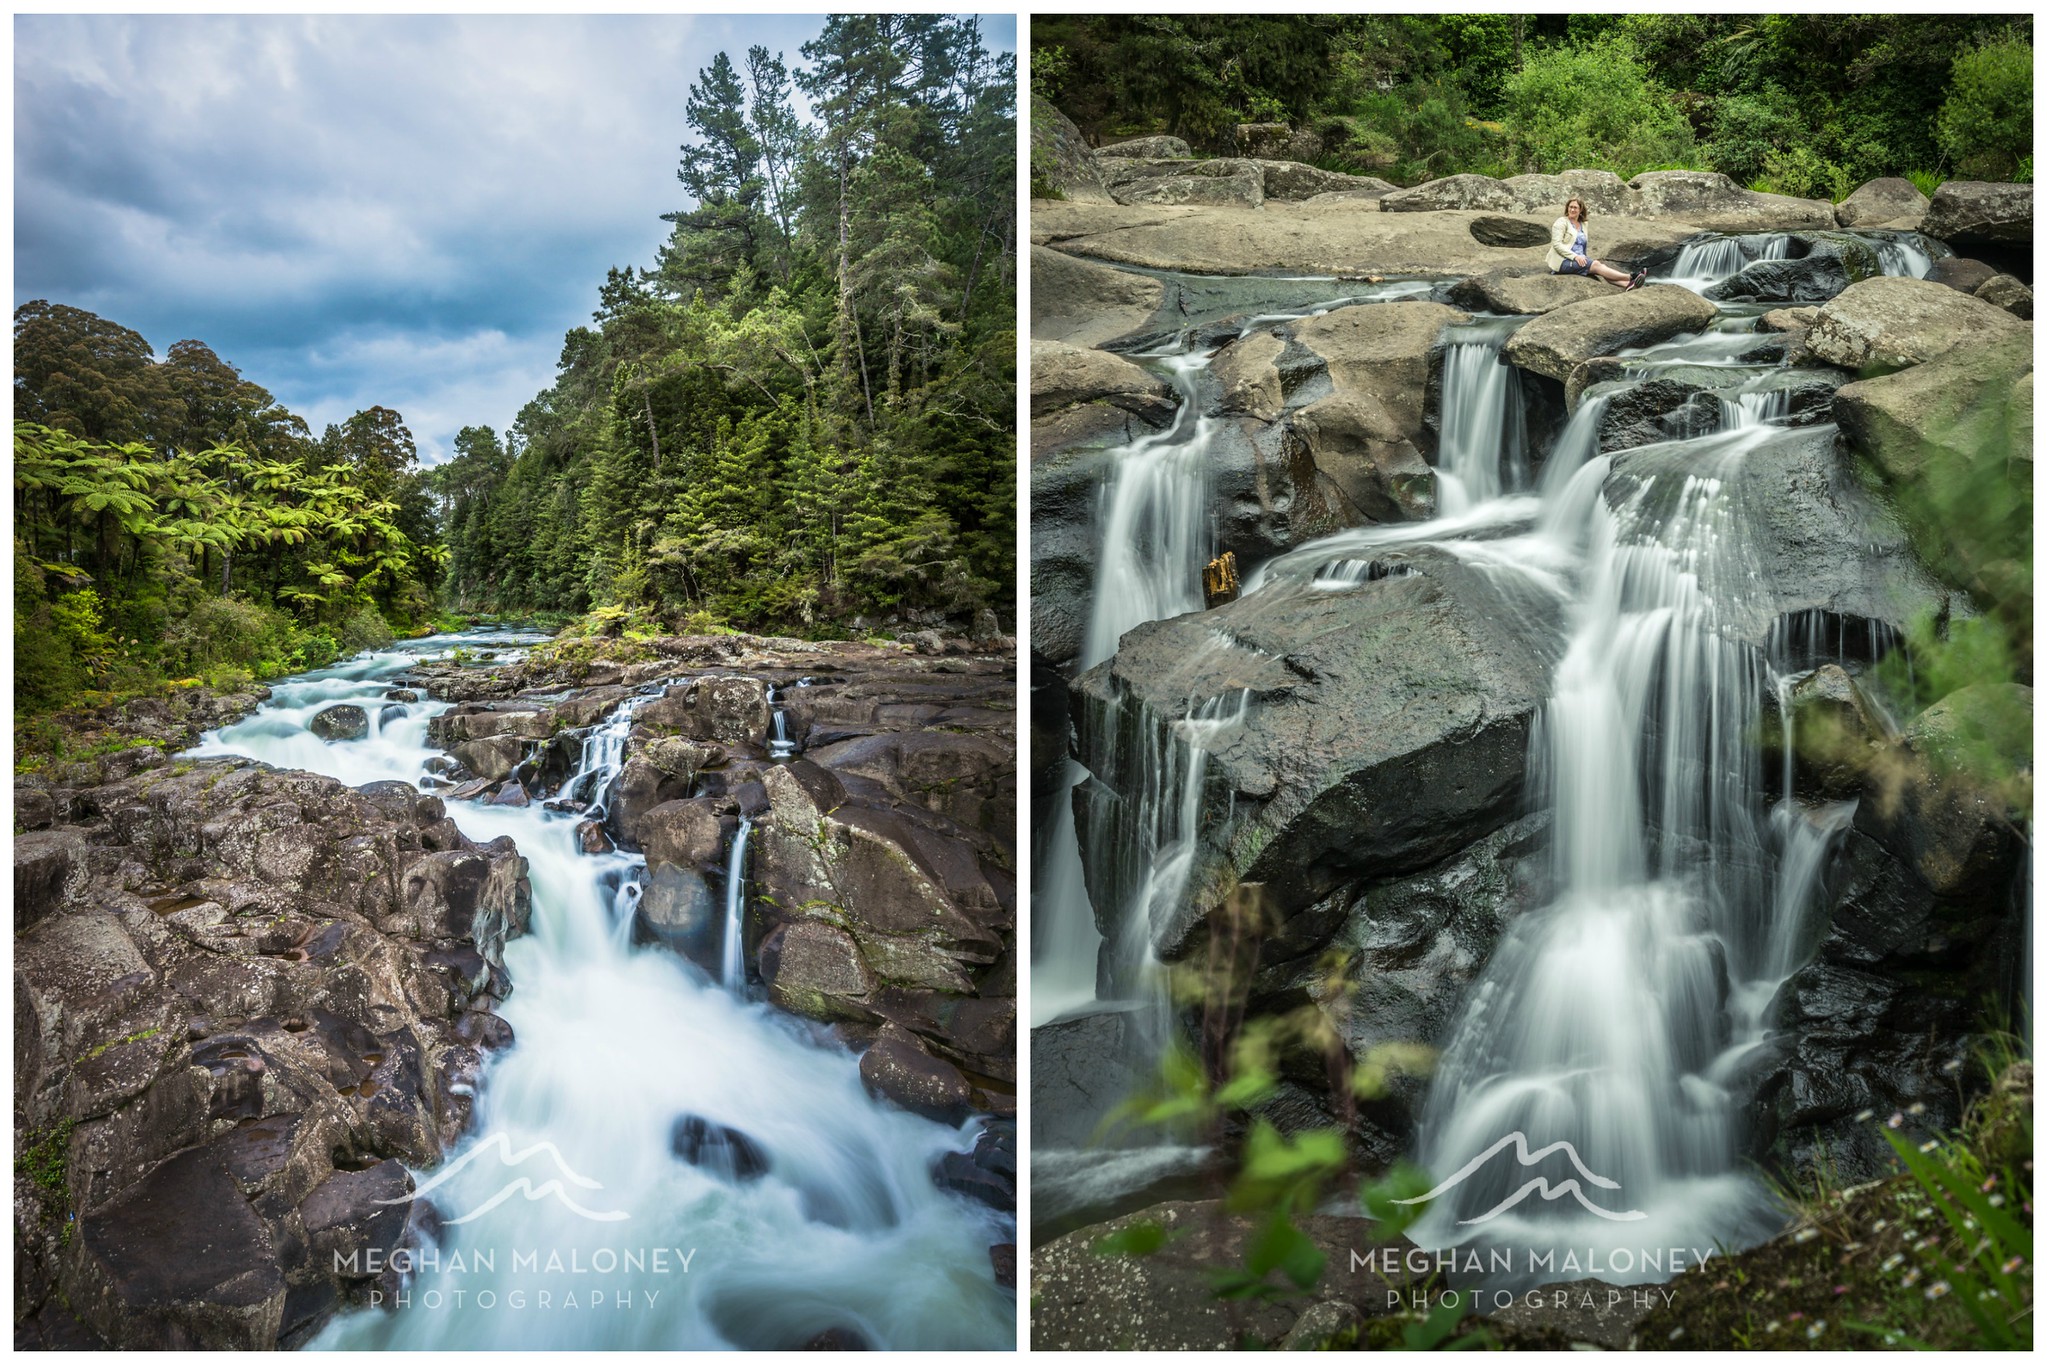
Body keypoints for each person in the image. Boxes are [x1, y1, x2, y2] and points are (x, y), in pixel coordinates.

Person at [1547, 198, 1647, 289]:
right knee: (1596, 266)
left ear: (1581, 209)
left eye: (1575, 208)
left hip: (1579, 259)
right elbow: (1557, 245)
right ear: (1567, 208)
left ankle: (1626, 285)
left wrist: (1583, 258)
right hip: (1563, 261)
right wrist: (1575, 257)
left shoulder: (1583, 224)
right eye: (1570, 207)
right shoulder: (1561, 222)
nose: (1572, 210)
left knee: (1598, 266)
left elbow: (1581, 246)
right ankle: (1630, 277)